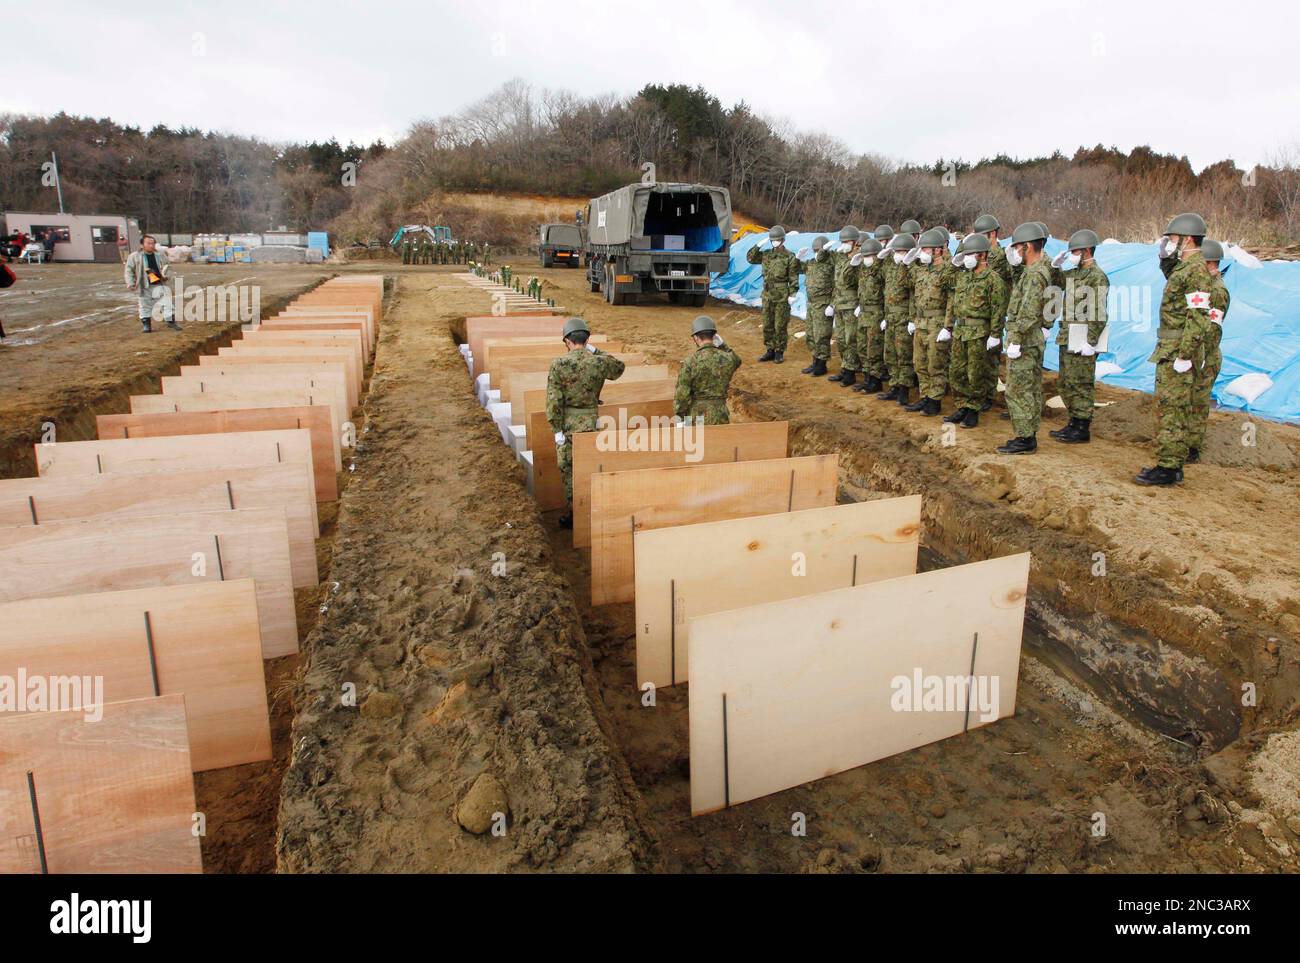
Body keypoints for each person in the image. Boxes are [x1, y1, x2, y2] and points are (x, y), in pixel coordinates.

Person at [1135, 213, 1216, 485]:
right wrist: (1164, 255)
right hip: (1170, 347)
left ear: (1187, 239)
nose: (1168, 242)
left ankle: (1169, 467)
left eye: (1171, 238)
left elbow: (1199, 316)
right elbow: (1171, 273)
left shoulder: (1196, 271)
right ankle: (1170, 463)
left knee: (1174, 408)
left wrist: (1185, 354)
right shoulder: (1185, 267)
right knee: (1170, 405)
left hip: (1178, 349)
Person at [546, 317, 625, 528]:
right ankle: (594, 511)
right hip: (591, 422)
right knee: (591, 467)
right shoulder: (598, 361)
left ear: (567, 341)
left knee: (570, 470)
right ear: (587, 339)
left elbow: (553, 401)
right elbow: (619, 367)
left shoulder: (559, 364)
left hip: (569, 425)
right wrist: (595, 350)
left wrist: (556, 429)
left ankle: (575, 515)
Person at [1049, 229, 1109, 444]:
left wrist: (1090, 342)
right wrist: (1055, 268)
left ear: (1085, 251)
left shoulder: (1097, 277)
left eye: (1074, 251)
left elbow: (1099, 313)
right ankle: (1073, 421)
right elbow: (1057, 284)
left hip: (1084, 336)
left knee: (1081, 382)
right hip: (1068, 334)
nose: (1071, 255)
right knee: (1066, 382)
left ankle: (1082, 426)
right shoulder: (1074, 273)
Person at [998, 222, 1052, 454]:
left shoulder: (1035, 274)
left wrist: (1016, 338)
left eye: (1017, 247)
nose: (1015, 252)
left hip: (1025, 339)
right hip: (1031, 338)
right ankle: (1027, 434)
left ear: (1027, 246)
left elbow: (1028, 309)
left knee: (1018, 389)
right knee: (1029, 387)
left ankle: (1025, 437)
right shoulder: (1037, 270)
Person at [944, 233, 1008, 429]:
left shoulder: (993, 280)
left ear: (982, 255)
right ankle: (962, 405)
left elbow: (998, 309)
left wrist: (996, 334)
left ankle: (973, 409)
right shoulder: (963, 277)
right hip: (961, 330)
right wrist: (954, 263)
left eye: (971, 254)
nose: (967, 257)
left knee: (975, 372)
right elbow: (947, 285)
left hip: (979, 332)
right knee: (957, 371)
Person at [1187, 239, 1231, 464]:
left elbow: (1213, 329)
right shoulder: (1205, 285)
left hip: (1207, 354)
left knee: (1198, 402)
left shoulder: (1217, 290)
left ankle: (1192, 448)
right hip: (1199, 352)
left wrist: (1202, 355)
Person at [905, 228, 956, 415]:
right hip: (921, 321)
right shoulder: (920, 271)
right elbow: (911, 293)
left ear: (938, 251)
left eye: (926, 249)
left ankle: (934, 400)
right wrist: (912, 319)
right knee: (919, 362)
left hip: (936, 322)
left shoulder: (947, 271)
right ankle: (925, 395)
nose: (923, 253)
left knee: (936, 363)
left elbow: (952, 299)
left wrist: (948, 326)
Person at [745, 225, 801, 363]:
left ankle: (779, 351)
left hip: (782, 294)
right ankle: (769, 349)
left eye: (776, 239)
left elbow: (794, 276)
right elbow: (751, 258)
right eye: (772, 240)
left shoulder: (789, 256)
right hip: (767, 294)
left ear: (782, 240)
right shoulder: (767, 255)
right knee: (767, 324)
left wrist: (793, 294)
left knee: (780, 325)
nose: (774, 242)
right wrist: (757, 246)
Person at [674, 315, 741, 424]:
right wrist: (723, 345)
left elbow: (682, 395)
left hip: (697, 416)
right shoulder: (728, 358)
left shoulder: (690, 362)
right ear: (714, 336)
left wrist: (680, 417)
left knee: (700, 441)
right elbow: (737, 360)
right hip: (721, 414)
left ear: (696, 337)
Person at [878, 231, 917, 405]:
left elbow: (913, 294)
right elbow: (887, 293)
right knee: (890, 354)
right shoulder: (891, 268)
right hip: (891, 316)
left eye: (901, 252)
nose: (897, 255)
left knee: (904, 355)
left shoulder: (912, 269)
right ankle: (894, 385)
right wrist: (886, 315)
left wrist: (911, 319)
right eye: (896, 251)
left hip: (903, 318)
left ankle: (904, 389)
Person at [827, 226, 862, 384]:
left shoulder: (859, 258)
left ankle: (850, 371)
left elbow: (859, 283)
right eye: (843, 241)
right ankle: (844, 367)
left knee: (850, 338)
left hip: (851, 305)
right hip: (839, 304)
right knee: (840, 338)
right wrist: (832, 302)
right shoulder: (841, 257)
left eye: (847, 241)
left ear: (855, 242)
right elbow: (837, 282)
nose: (844, 244)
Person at [852, 236, 888, 392]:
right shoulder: (863, 271)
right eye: (864, 256)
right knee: (862, 347)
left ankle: (875, 380)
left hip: (876, 314)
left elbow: (888, 293)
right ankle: (867, 377)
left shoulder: (882, 270)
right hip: (864, 314)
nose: (867, 259)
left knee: (874, 350)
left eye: (870, 256)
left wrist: (885, 316)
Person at [124, 234, 180, 333]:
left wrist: (166, 275)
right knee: (144, 305)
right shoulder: (134, 256)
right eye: (148, 243)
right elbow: (129, 270)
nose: (151, 245)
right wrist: (130, 283)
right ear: (142, 245)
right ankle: (147, 325)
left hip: (159, 283)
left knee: (167, 303)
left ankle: (171, 322)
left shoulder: (160, 255)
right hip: (144, 285)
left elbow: (168, 267)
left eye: (153, 243)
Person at [800, 236, 835, 376]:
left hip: (824, 303)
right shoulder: (811, 263)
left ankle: (821, 364)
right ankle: (815, 361)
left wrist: (832, 304)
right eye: (815, 250)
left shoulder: (831, 264)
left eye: (819, 250)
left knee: (822, 335)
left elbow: (838, 285)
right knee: (811, 334)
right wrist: (797, 258)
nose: (817, 253)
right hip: (812, 303)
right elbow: (796, 268)